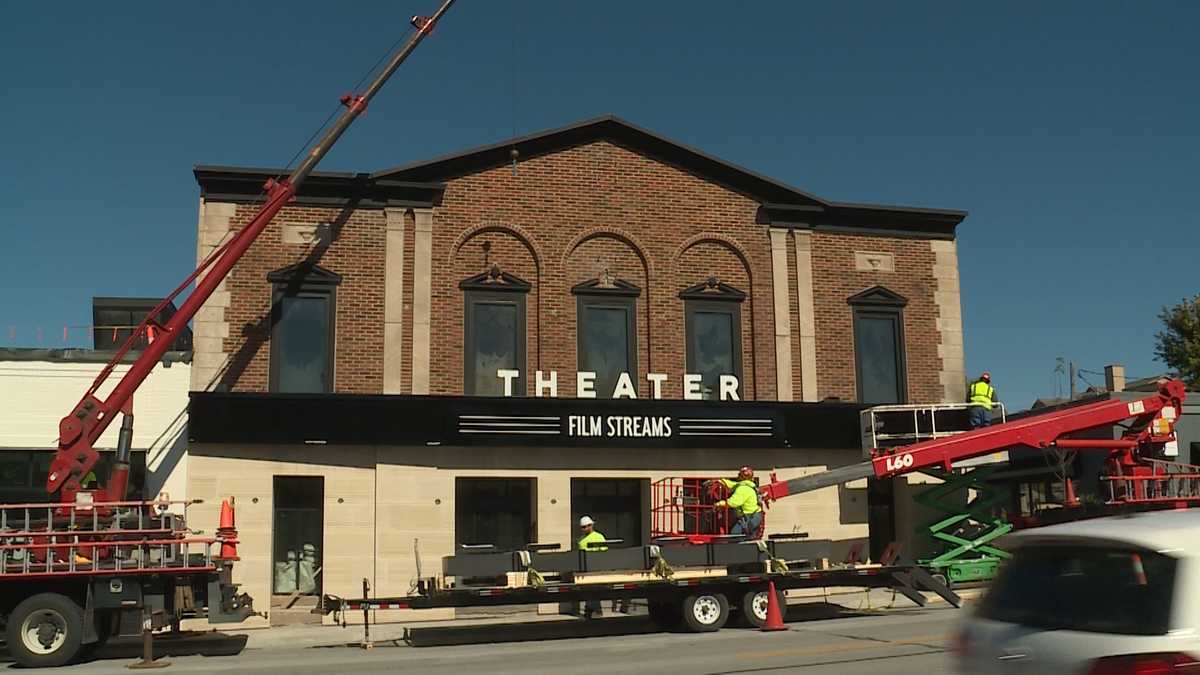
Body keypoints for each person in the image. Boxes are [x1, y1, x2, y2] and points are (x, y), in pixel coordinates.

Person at [713, 466, 763, 539]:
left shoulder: (743, 489)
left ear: (741, 477)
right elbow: (733, 484)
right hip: (753, 516)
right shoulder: (748, 485)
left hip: (750, 518)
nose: (738, 476)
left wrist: (719, 504)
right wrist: (721, 481)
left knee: (735, 534)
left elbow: (732, 503)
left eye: (739, 475)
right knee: (746, 536)